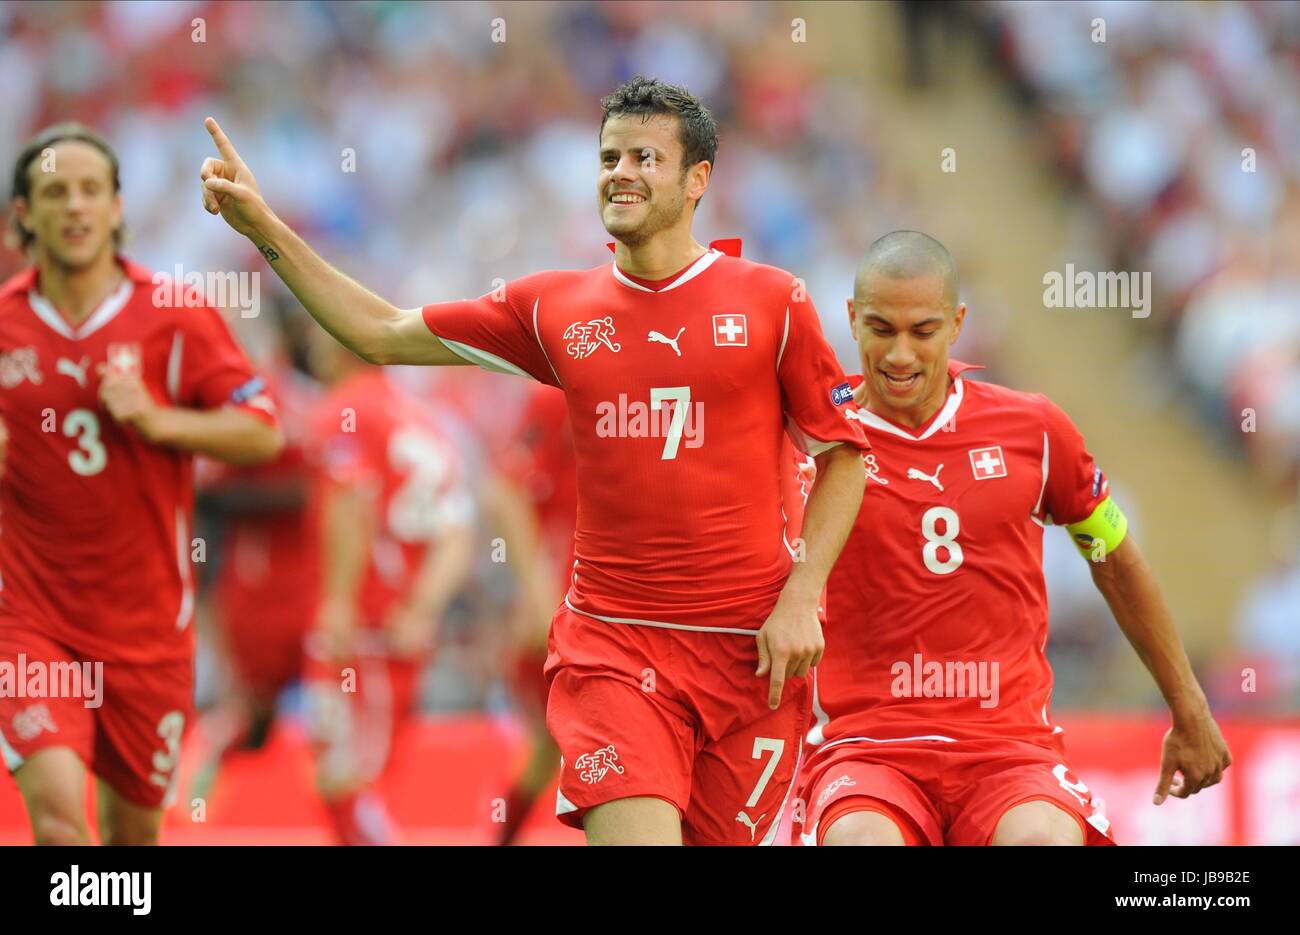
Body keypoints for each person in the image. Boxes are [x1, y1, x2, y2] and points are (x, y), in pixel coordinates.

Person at [199, 75, 868, 845]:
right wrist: (264, 228)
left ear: (696, 181)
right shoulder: (555, 308)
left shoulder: (771, 300)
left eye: (645, 157)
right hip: (614, 649)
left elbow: (844, 453)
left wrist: (802, 595)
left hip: (749, 655)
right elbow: (380, 330)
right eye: (609, 155)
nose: (620, 171)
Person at [795, 230, 1232, 846]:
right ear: (850, 318)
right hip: (868, 749)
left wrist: (1188, 705)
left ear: (957, 324)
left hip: (1008, 752)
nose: (899, 354)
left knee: (1042, 841)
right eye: (880, 328)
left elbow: (1113, 559)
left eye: (922, 331)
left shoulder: (1033, 429)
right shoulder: (812, 433)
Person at [0, 123, 282, 845]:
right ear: (23, 215)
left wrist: (159, 420)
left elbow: (262, 429)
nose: (76, 206)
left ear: (118, 208)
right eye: (55, 192)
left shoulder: (174, 313)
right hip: (30, 622)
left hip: (148, 630)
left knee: (132, 846)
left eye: (91, 190)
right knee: (61, 827)